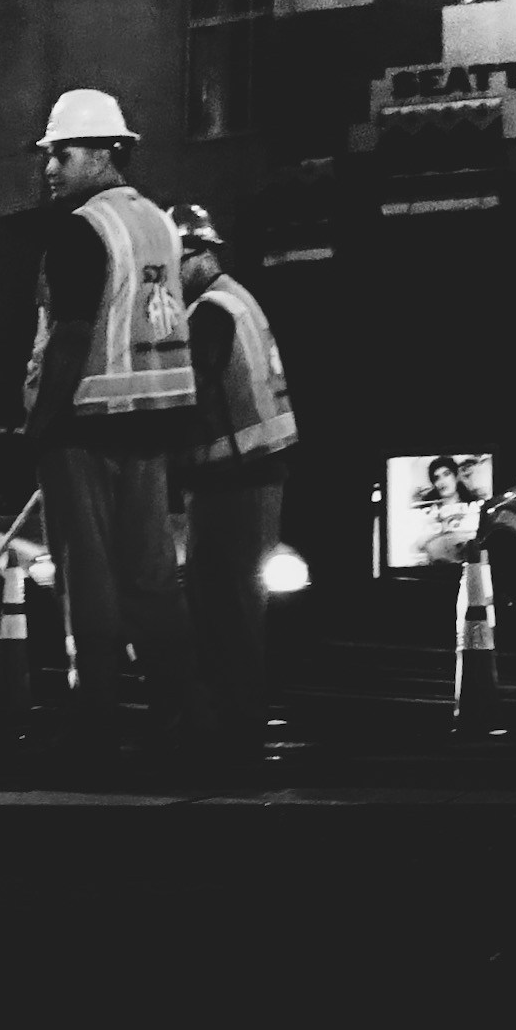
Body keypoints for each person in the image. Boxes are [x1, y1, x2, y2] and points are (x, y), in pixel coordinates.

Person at [23, 88, 216, 766]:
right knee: (151, 579)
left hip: (85, 424)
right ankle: (182, 712)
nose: (50, 168)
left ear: (106, 152)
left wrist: (41, 423)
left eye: (62, 153)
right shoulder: (157, 224)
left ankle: (94, 718)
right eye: (49, 154)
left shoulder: (81, 230)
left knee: (89, 580)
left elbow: (73, 334)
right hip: (150, 423)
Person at [172, 204, 300, 776]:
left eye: (176, 262)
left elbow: (189, 399)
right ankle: (237, 719)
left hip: (231, 478)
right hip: (257, 472)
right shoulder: (237, 299)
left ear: (199, 255)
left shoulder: (209, 313)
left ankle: (232, 725)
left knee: (222, 605)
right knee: (238, 606)